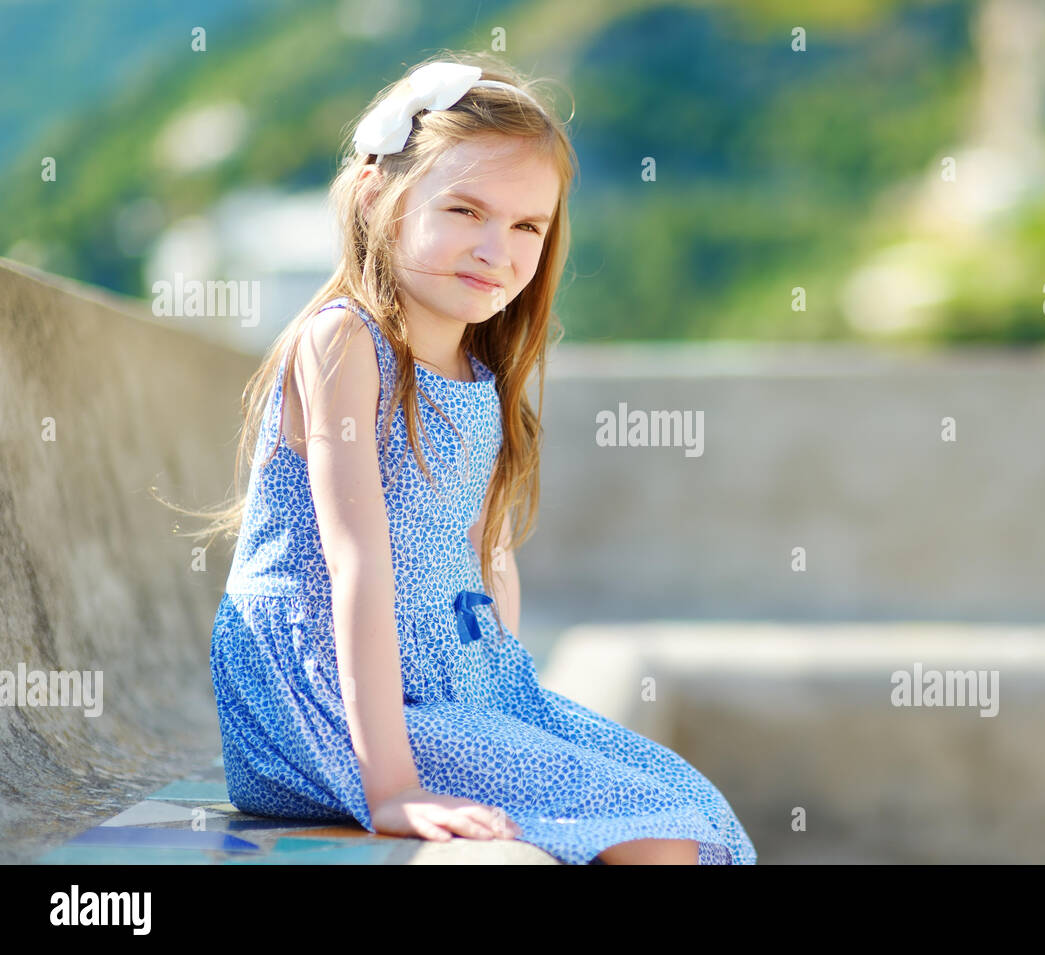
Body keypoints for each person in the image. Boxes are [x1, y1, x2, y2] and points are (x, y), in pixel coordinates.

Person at [199, 53, 757, 865]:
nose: (497, 249)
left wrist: (507, 712)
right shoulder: (346, 342)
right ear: (381, 201)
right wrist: (391, 787)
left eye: (527, 226)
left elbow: (486, 559)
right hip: (321, 704)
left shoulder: (483, 375)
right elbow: (357, 562)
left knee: (690, 808)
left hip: (451, 685)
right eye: (465, 210)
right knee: (653, 835)